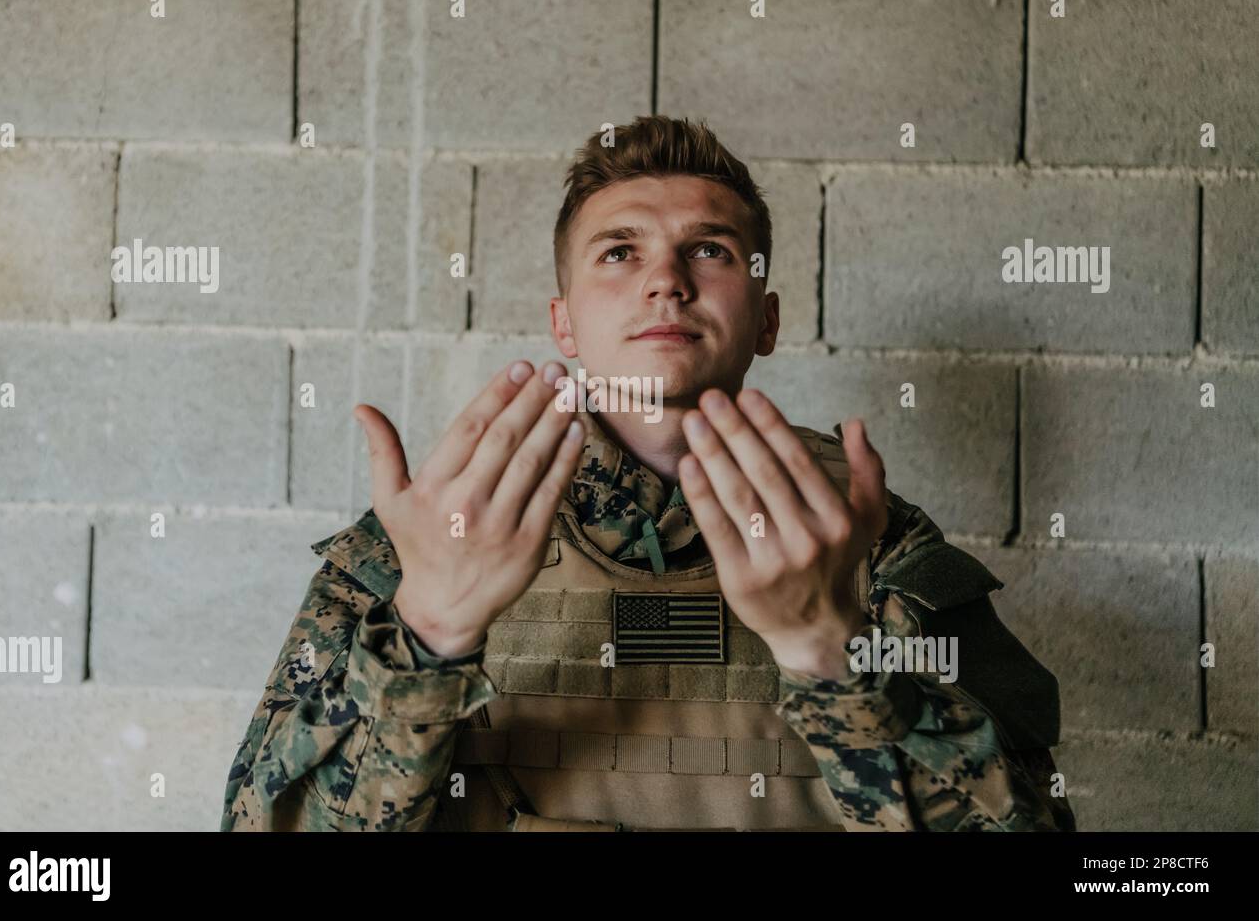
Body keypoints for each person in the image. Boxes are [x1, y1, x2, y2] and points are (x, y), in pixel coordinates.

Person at [221, 115, 1076, 832]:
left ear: (766, 317)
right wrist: (428, 636)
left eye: (707, 250)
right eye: (619, 254)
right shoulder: (433, 532)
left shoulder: (867, 538)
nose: (665, 282)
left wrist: (832, 658)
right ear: (565, 321)